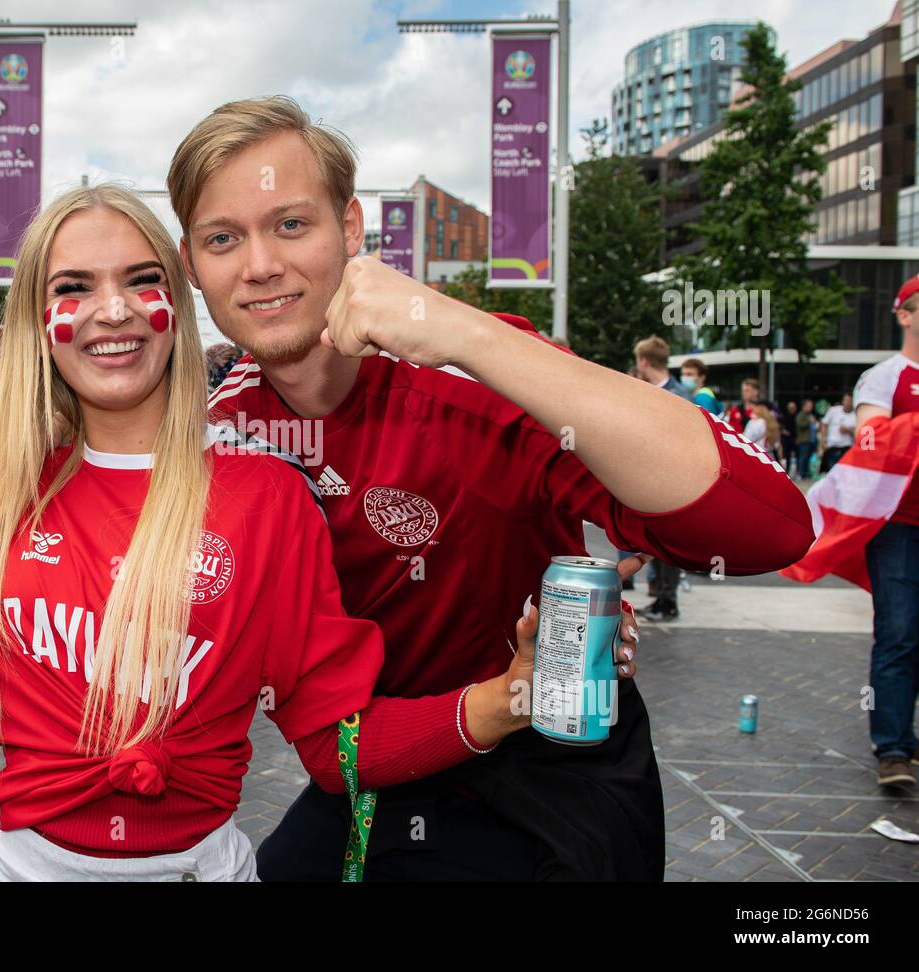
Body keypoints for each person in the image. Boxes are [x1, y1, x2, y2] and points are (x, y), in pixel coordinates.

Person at [0, 184, 582, 881]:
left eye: (141, 279)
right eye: (72, 287)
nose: (111, 310)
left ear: (175, 312)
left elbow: (341, 750)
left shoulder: (267, 499)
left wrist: (507, 701)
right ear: (37, 320)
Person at [171, 95, 813, 880]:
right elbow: (330, 745)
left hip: (552, 765)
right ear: (192, 263)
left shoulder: (469, 375)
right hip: (384, 764)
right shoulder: (220, 443)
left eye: (291, 224)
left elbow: (772, 528)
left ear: (351, 230)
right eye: (223, 238)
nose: (260, 263)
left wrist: (472, 335)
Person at [854, 275, 919, 787]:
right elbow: (871, 438)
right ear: (904, 314)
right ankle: (893, 747)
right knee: (898, 634)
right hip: (899, 526)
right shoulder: (885, 378)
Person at [631, 336, 694, 622]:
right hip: (655, 477)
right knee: (659, 543)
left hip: (672, 479)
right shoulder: (658, 391)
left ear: (644, 361)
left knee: (670, 543)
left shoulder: (675, 396)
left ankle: (668, 601)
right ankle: (662, 598)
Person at [821, 393, 855, 474]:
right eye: (846, 400)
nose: (848, 403)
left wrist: (849, 431)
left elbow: (859, 433)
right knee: (832, 472)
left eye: (850, 401)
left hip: (847, 448)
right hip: (832, 446)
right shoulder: (833, 410)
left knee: (844, 473)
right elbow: (824, 424)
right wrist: (823, 441)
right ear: (842, 401)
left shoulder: (855, 415)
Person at [795, 398, 818, 480]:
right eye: (808, 406)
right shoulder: (801, 415)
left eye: (811, 406)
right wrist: (809, 421)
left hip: (811, 440)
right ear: (804, 406)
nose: (810, 408)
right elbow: (800, 425)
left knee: (808, 458)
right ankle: (800, 474)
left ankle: (806, 474)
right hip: (804, 440)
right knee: (803, 457)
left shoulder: (810, 415)